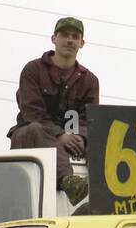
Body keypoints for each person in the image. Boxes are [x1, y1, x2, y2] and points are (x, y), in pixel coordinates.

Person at [8, 16, 99, 205]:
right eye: (64, 35)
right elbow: (32, 112)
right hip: (32, 137)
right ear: (54, 39)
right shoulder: (33, 70)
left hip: (69, 137)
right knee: (35, 129)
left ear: (82, 43)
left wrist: (80, 137)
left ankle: (101, 186)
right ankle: (69, 183)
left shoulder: (89, 80)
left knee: (101, 138)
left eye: (75, 36)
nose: (69, 40)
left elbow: (88, 118)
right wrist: (60, 135)